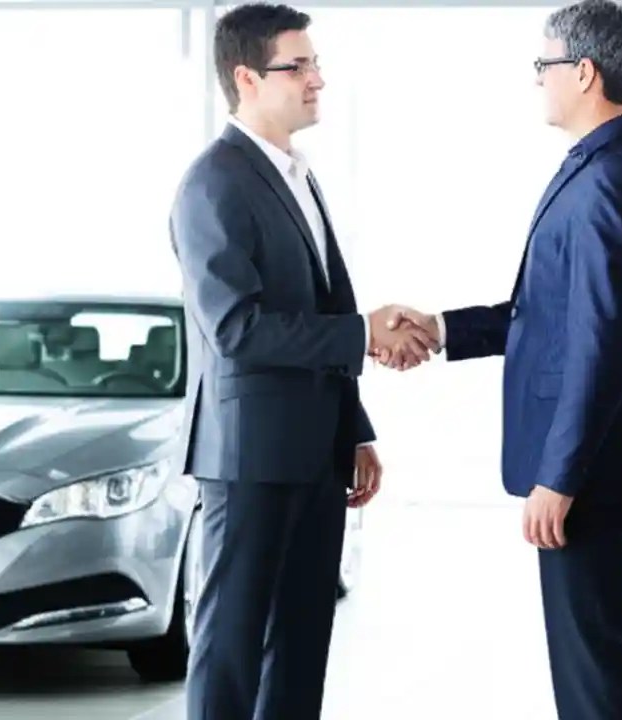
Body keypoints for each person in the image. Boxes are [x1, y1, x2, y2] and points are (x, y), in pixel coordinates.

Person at [381, 1, 622, 717]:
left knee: (597, 671)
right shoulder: (612, 166)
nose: (538, 78)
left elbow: (602, 343)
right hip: (612, 466)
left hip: (591, 472)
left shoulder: (608, 181)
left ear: (584, 72)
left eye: (545, 64)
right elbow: (546, 317)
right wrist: (441, 328)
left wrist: (559, 476)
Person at [167, 4, 436, 719]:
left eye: (316, 64)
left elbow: (318, 305)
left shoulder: (297, 175)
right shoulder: (214, 182)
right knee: (231, 646)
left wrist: (355, 428)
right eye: (299, 66)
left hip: (316, 452)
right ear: (246, 78)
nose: (317, 79)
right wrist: (363, 333)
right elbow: (237, 328)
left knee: (301, 642)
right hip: (250, 458)